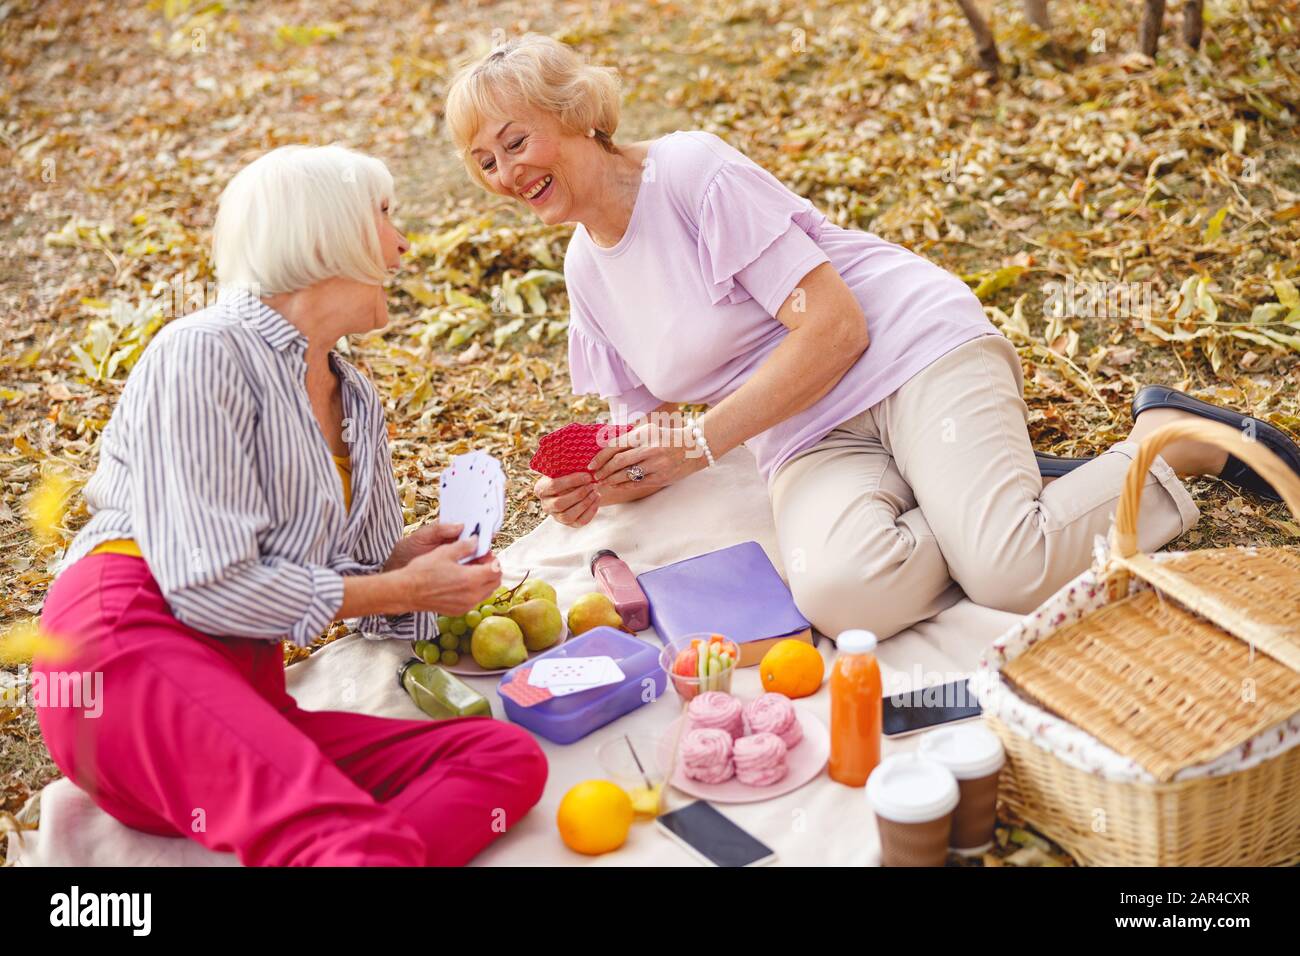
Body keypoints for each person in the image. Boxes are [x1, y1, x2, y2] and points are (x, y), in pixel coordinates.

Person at [445, 35, 1300, 640]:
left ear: (575, 114)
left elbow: (837, 328)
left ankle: (1168, 444)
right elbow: (649, 435)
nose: (506, 174)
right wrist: (596, 482)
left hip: (906, 352)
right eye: (484, 163)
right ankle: (969, 500)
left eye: (516, 141)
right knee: (844, 595)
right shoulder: (584, 272)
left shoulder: (690, 172)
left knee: (1012, 570)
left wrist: (702, 442)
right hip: (808, 433)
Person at [33, 144, 547, 866]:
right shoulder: (202, 353)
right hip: (128, 650)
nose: (404, 242)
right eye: (385, 215)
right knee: (351, 843)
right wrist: (396, 585)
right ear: (324, 233)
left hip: (244, 689)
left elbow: (368, 595)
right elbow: (207, 588)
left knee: (499, 756)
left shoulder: (355, 397)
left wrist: (408, 569)